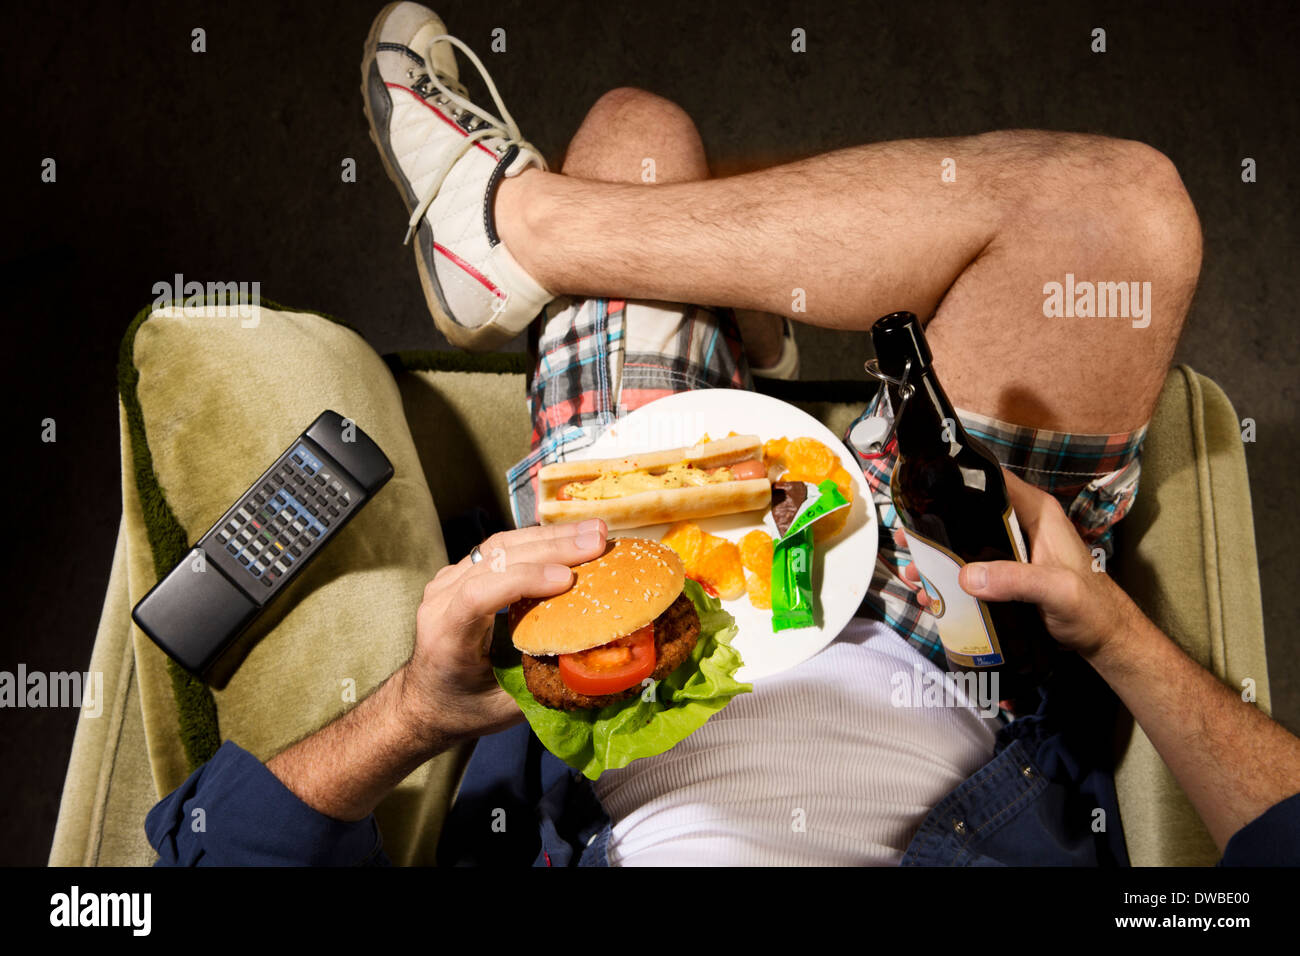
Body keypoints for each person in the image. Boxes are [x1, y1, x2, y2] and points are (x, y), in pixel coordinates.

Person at [146, 4, 1299, 865]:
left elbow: (204, 856)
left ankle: (536, 230)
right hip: (964, 642)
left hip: (636, 657)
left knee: (637, 132)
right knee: (1115, 216)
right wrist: (1113, 634)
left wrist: (419, 709)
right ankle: (570, 239)